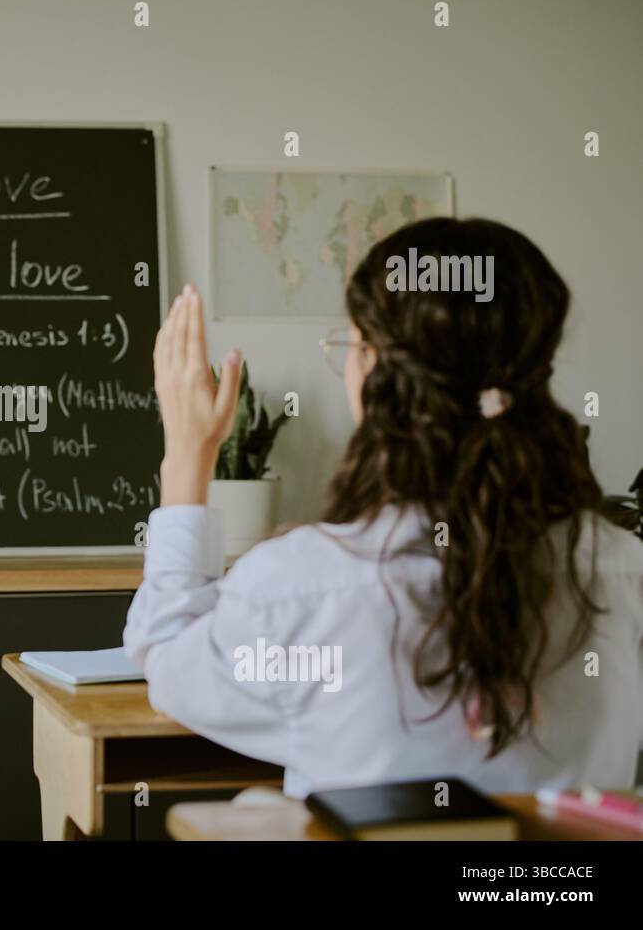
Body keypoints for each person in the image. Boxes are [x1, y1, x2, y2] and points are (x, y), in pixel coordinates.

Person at [124, 217, 643, 798]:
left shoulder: (300, 589)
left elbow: (169, 658)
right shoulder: (627, 574)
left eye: (349, 345)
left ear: (372, 365)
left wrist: (188, 459)